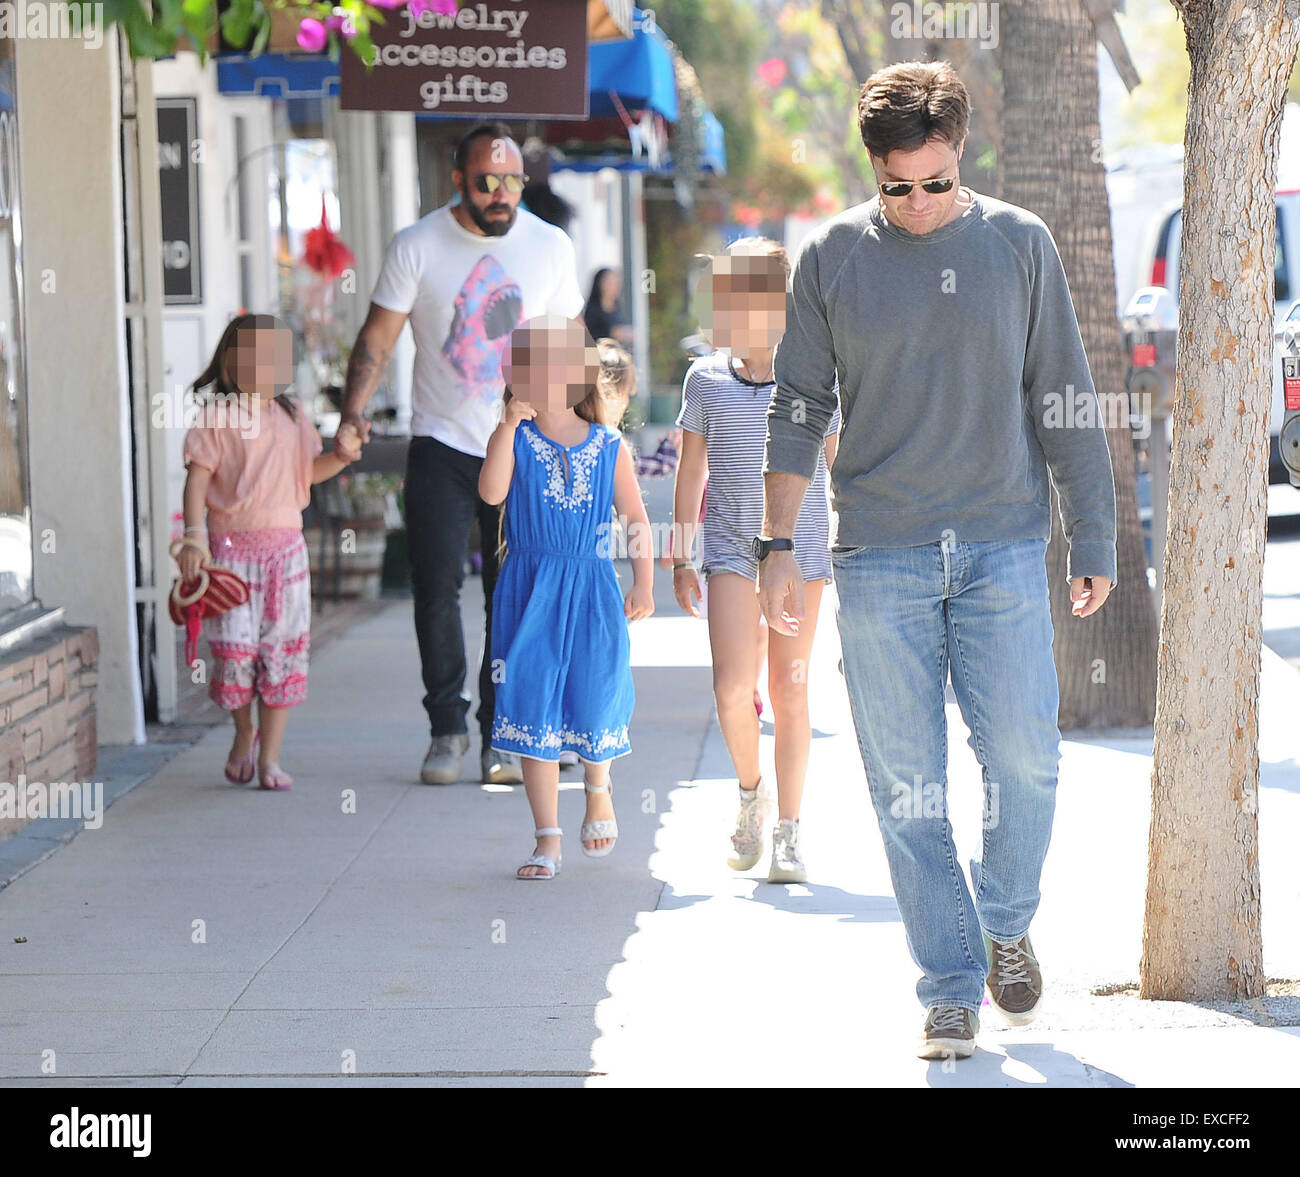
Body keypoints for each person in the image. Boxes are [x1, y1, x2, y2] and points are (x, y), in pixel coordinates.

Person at [759, 61, 1117, 1060]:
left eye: (936, 181)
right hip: (879, 558)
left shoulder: (1018, 243)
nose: (917, 204)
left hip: (1002, 546)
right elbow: (795, 408)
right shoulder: (831, 256)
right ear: (870, 169)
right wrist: (775, 543)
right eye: (896, 187)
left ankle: (1004, 917)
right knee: (905, 785)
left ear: (963, 154)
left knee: (1025, 760)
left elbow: (1064, 394)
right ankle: (950, 983)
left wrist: (1092, 534)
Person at [335, 122, 585, 787]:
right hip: (441, 444)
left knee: (513, 594)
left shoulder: (551, 245)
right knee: (435, 588)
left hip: (523, 447)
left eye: (512, 181)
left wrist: (584, 434)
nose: (501, 194)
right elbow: (377, 338)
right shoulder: (417, 245)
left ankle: (501, 735)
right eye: (486, 182)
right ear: (458, 181)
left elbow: (570, 345)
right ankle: (446, 726)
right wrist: (352, 413)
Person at [673, 239, 840, 884]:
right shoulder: (704, 379)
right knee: (731, 691)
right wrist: (680, 557)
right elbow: (693, 472)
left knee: (789, 692)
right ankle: (751, 794)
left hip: (799, 553)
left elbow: (836, 466)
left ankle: (789, 833)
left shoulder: (813, 376)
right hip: (729, 553)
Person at [478, 316, 655, 879]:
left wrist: (645, 579)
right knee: (532, 706)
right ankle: (546, 838)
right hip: (530, 588)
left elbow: (635, 518)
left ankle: (598, 785)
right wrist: (506, 427)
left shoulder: (608, 445)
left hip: (593, 587)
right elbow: (491, 492)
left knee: (598, 691)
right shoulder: (517, 439)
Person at [177, 313, 359, 790]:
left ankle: (271, 760)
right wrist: (194, 537)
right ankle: (244, 733)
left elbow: (307, 474)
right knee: (235, 654)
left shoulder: (293, 415)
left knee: (279, 654)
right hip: (230, 555)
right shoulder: (217, 417)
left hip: (286, 554)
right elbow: (196, 481)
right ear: (228, 363)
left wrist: (340, 457)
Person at [582, 268, 635, 349]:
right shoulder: (593, 311)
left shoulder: (617, 308)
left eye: (616, 283)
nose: (615, 287)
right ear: (600, 284)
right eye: (610, 283)